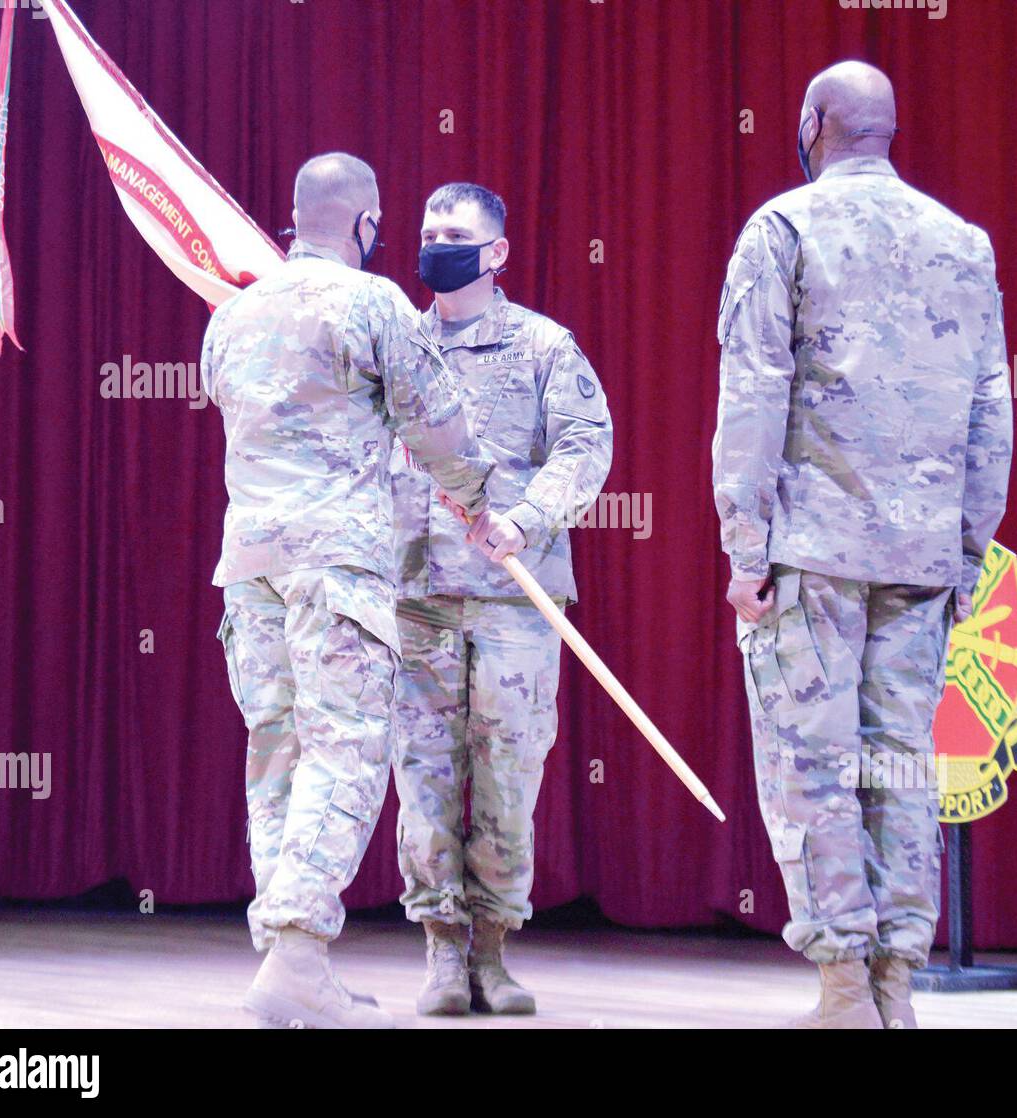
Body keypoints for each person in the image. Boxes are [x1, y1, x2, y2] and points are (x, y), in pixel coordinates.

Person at [712, 62, 1012, 1028]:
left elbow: (753, 394)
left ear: (813, 124)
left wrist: (743, 546)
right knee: (900, 769)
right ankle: (897, 989)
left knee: (812, 770)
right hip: (922, 563)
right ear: (888, 130)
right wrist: (971, 551)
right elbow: (989, 411)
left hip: (814, 554)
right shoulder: (965, 244)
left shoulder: (784, 228)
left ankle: (845, 988)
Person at [201, 153, 495, 1029]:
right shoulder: (372, 304)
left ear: (296, 219)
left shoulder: (234, 311)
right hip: (337, 566)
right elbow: (438, 424)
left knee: (278, 752)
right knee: (346, 750)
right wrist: (479, 497)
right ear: (367, 223)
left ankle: (289, 963)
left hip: (250, 568)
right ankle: (296, 951)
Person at [390, 182, 613, 1016]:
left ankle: (493, 947)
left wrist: (526, 518)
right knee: (425, 781)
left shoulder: (542, 346)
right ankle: (442, 953)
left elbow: (589, 444)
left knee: (509, 779)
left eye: (455, 233)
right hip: (415, 595)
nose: (436, 243)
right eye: (427, 230)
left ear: (496, 254)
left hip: (516, 602)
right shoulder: (395, 346)